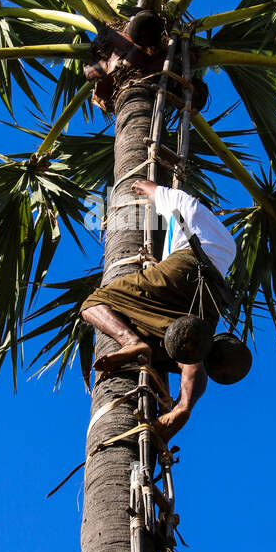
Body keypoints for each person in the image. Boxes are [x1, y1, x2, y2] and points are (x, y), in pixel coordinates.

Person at [80, 180, 237, 438]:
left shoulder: (188, 203)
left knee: (94, 302)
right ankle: (184, 406)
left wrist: (143, 185)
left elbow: (155, 191)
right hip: (212, 296)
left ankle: (130, 341)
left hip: (182, 269)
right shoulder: (228, 241)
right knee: (191, 349)